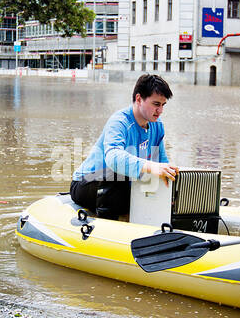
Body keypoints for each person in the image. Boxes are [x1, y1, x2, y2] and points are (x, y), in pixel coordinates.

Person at [71, 74, 179, 219]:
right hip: (86, 183)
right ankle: (108, 222)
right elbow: (113, 159)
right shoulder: (119, 122)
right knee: (118, 173)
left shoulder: (157, 126)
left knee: (167, 176)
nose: (160, 111)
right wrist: (150, 166)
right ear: (139, 99)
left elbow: (162, 162)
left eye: (163, 105)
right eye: (156, 104)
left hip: (124, 186)